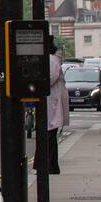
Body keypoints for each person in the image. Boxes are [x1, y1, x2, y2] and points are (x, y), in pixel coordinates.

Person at [42, 41, 69, 174]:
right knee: (50, 136)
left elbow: (50, 78)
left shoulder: (51, 61)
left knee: (49, 135)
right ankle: (52, 165)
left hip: (51, 102)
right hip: (51, 102)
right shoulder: (53, 60)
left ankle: (49, 165)